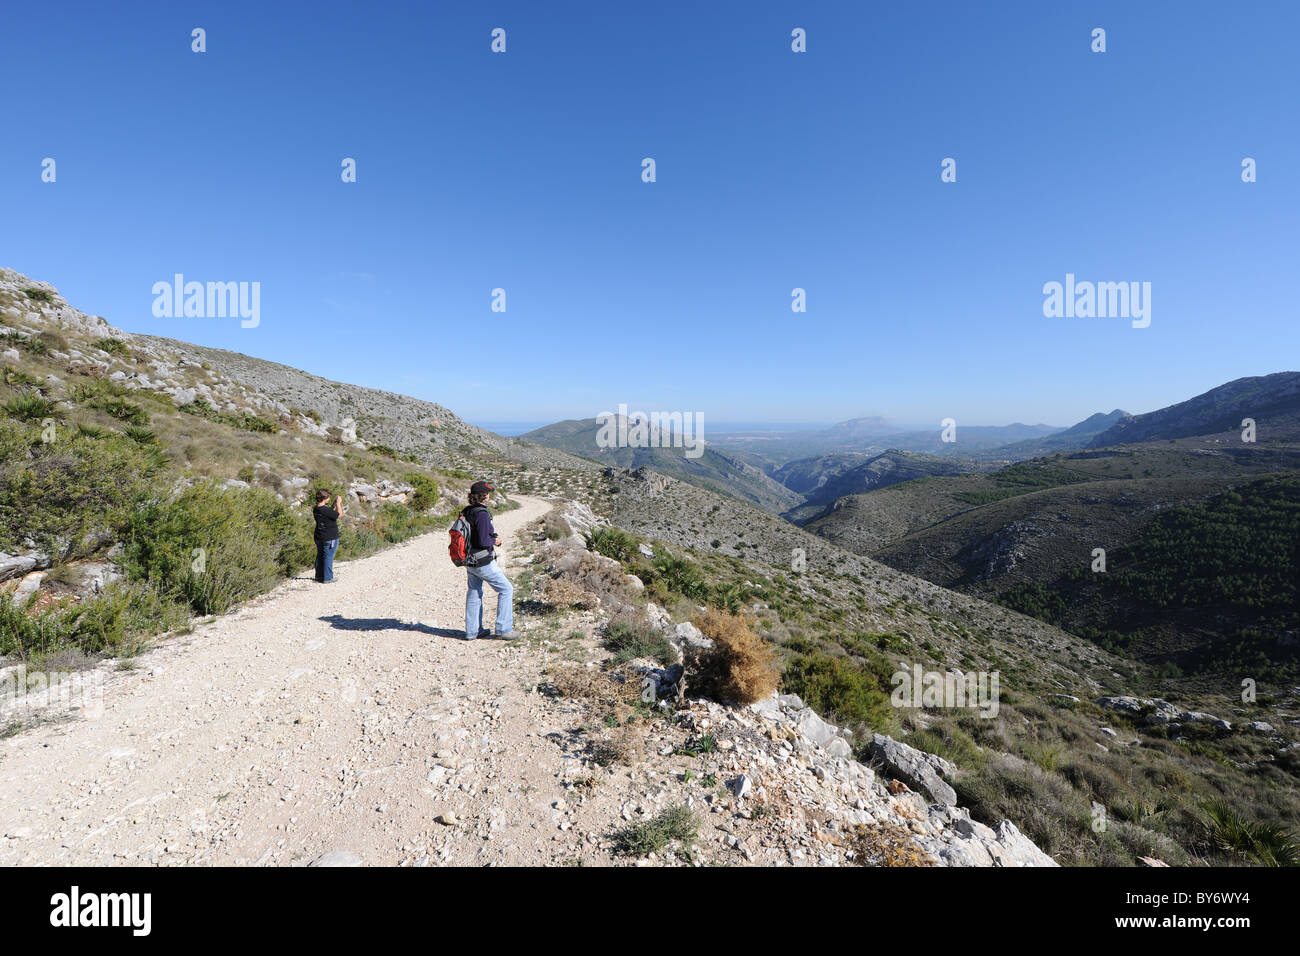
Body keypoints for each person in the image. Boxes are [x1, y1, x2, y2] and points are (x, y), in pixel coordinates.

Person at [461, 481, 513, 640]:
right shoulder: (482, 514)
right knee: (506, 589)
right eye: (488, 493)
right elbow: (483, 541)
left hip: (469, 560)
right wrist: (495, 541)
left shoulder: (467, 511)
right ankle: (504, 629)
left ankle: (472, 631)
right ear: (483, 496)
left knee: (474, 592)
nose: (489, 495)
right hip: (482, 561)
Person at [313, 489, 344, 583]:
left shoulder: (316, 508)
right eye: (329, 497)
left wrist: (333, 505)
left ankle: (319, 576)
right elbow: (339, 515)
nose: (329, 499)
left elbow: (329, 513)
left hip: (319, 536)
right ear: (325, 498)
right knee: (328, 556)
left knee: (320, 555)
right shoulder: (325, 510)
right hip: (329, 537)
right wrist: (338, 504)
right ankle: (328, 578)